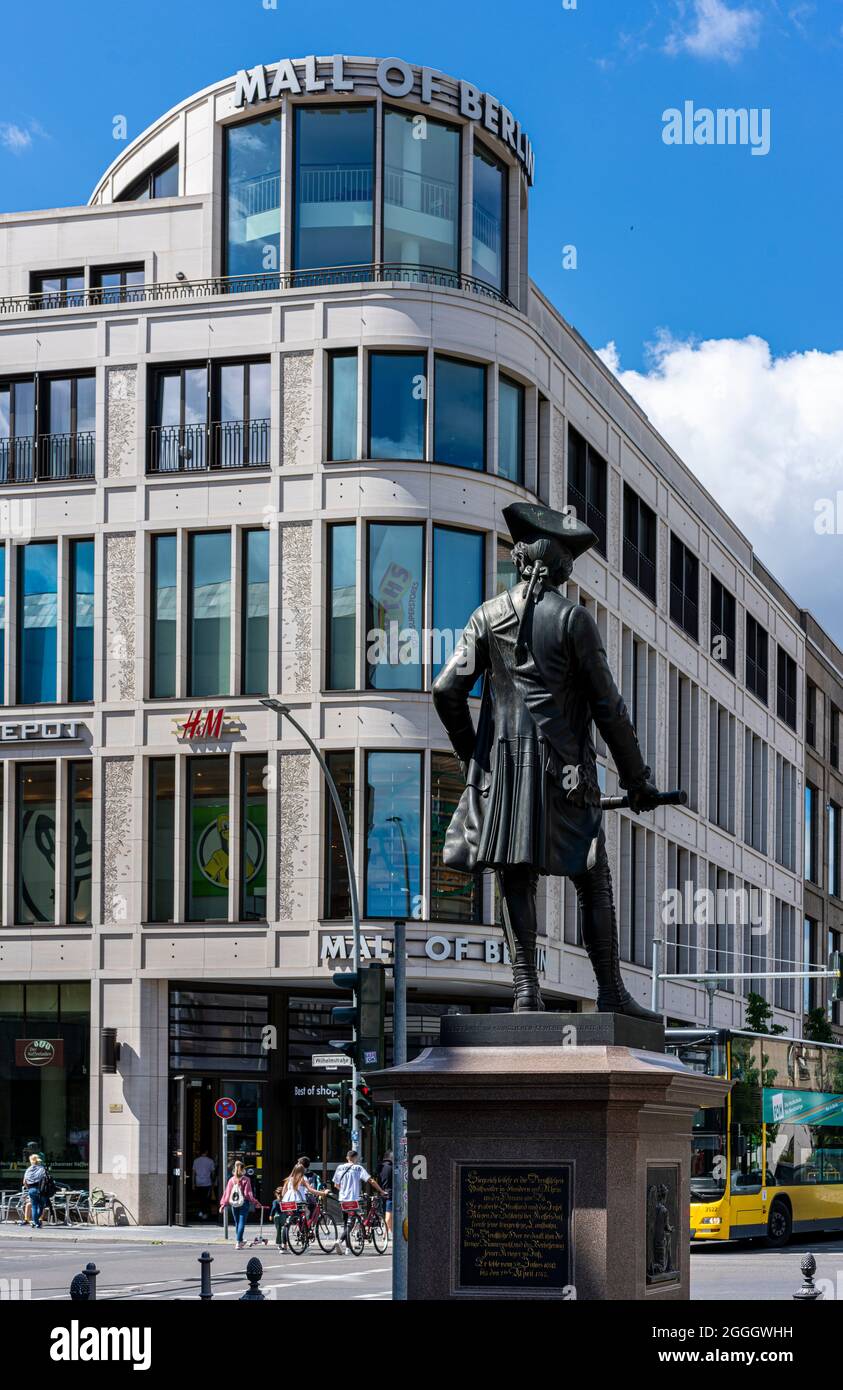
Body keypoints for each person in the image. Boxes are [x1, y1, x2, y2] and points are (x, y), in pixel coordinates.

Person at [432, 501, 663, 1016]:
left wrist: (478, 761)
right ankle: (610, 991)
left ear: (520, 559)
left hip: (507, 774)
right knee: (592, 875)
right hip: (567, 774)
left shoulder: (485, 617)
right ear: (557, 566)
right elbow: (609, 707)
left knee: (516, 875)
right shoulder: (574, 621)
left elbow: (446, 690)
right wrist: (637, 779)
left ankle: (525, 991)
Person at [332, 1150, 387, 1255]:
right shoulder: (358, 1168)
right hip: (353, 1199)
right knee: (352, 1221)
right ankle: (339, 1240)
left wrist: (344, 1191)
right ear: (355, 1158)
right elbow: (370, 1180)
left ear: (347, 1157)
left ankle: (348, 1248)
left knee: (346, 1222)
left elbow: (336, 1185)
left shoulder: (339, 1168)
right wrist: (381, 1191)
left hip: (342, 1199)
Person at [219, 1159, 256, 1250]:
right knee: (241, 1223)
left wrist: (223, 1204)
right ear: (243, 1169)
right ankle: (238, 1242)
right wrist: (255, 1202)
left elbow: (227, 1193)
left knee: (237, 1223)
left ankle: (240, 1240)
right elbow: (248, 1194)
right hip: (244, 1203)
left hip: (234, 1203)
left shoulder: (231, 1180)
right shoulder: (246, 1179)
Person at [22, 1152, 47, 1230]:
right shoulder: (42, 1168)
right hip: (41, 1189)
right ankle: (37, 1222)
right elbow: (45, 1179)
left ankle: (36, 1223)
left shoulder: (28, 1169)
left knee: (34, 1206)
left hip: (31, 1189)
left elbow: (24, 1182)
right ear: (38, 1161)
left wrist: (29, 1188)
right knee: (41, 1206)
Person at [191, 1149, 216, 1221]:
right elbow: (213, 1173)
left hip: (198, 1182)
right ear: (206, 1152)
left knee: (200, 1198)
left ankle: (200, 1212)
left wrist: (193, 1184)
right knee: (206, 1199)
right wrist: (213, 1182)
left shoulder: (196, 1161)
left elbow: (193, 1173)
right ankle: (204, 1213)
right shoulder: (210, 1161)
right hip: (207, 1182)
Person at [378, 1151, 394, 1237]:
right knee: (389, 1214)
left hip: (382, 1192)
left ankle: (387, 1232)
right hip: (390, 1193)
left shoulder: (380, 1167)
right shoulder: (391, 1167)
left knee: (385, 1213)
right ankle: (387, 1234)